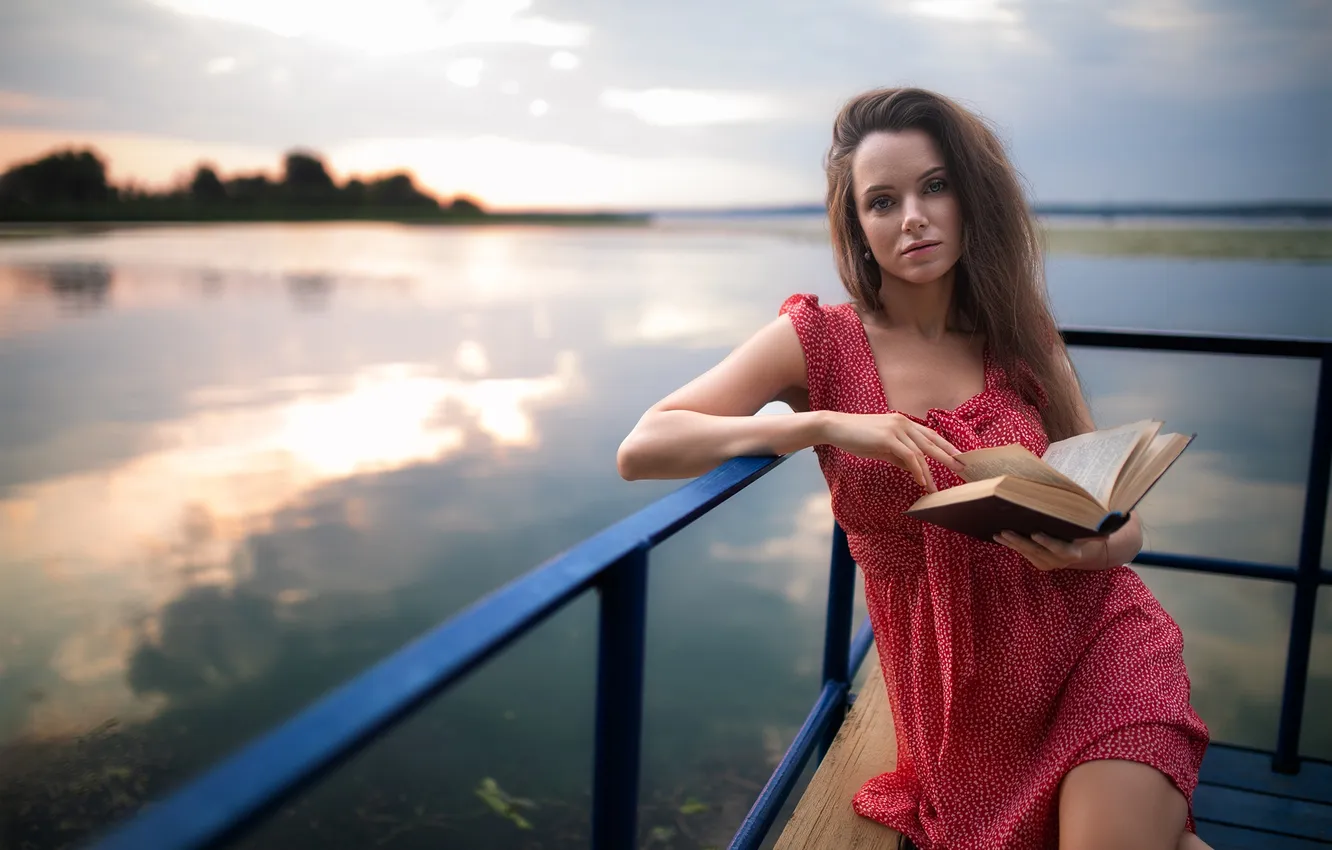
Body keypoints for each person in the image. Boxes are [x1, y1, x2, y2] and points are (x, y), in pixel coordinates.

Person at [616, 87, 1211, 850]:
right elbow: (644, 446)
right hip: (960, 704)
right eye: (883, 201)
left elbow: (1117, 519)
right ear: (858, 226)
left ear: (970, 195)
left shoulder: (1021, 336)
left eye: (934, 187)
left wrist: (1095, 546)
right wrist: (824, 424)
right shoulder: (819, 342)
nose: (914, 219)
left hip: (1095, 642)